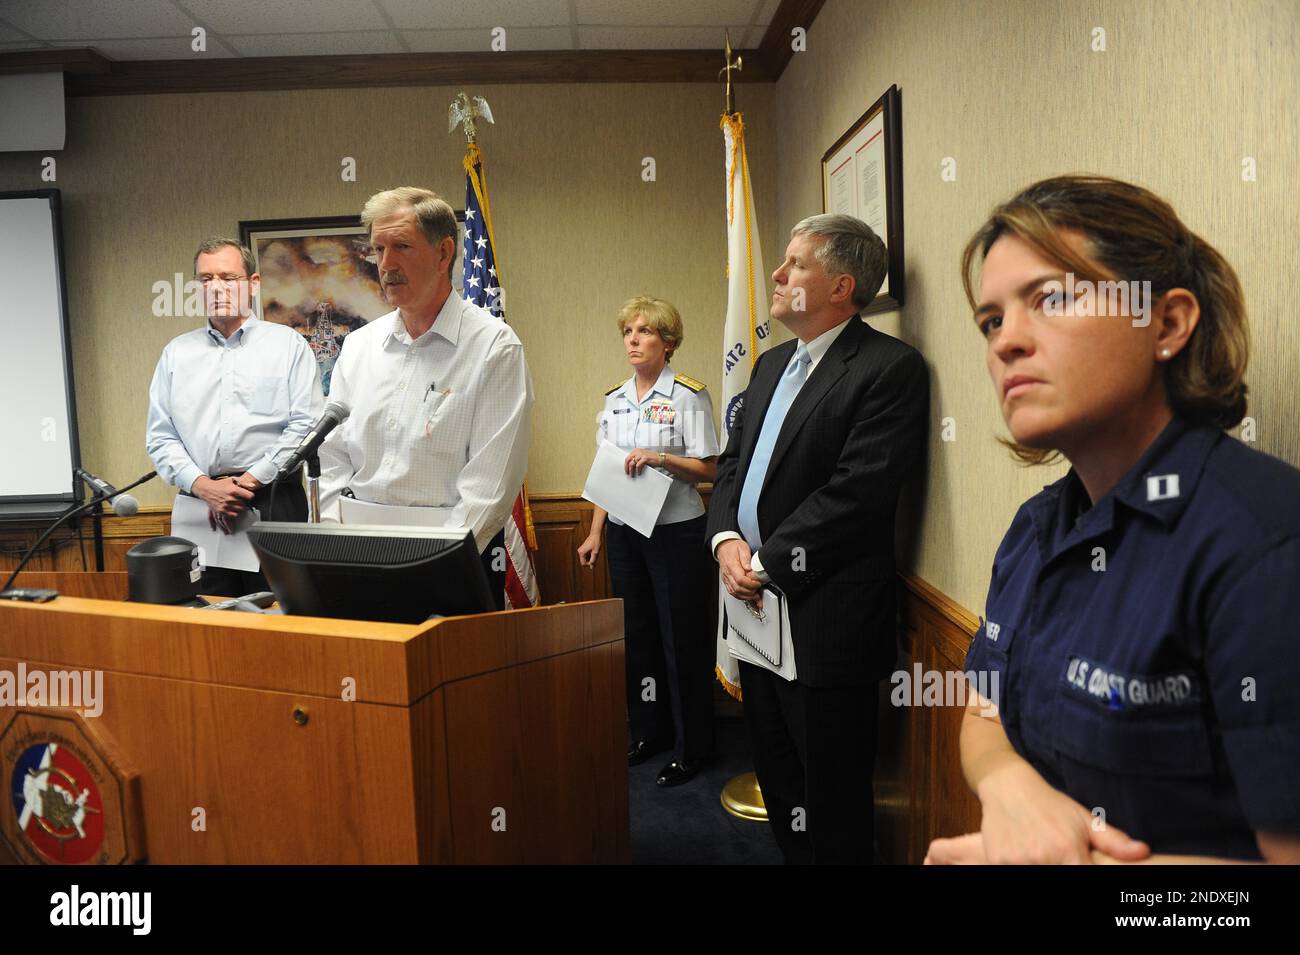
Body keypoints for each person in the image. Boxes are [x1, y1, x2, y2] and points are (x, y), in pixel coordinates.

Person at [925, 175, 1300, 865]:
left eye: (1052, 298)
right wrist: (1010, 786)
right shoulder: (1035, 530)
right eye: (991, 320)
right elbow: (984, 706)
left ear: (1167, 323)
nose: (1006, 341)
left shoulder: (1264, 547)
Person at [707, 214, 928, 863]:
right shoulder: (773, 363)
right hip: (751, 607)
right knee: (780, 783)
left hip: (824, 620)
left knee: (831, 802)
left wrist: (767, 562)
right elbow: (731, 464)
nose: (776, 275)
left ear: (840, 285)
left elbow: (857, 494)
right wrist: (724, 539)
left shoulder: (890, 369)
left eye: (795, 264)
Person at [318, 187, 533, 610]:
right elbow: (332, 458)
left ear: (443, 253)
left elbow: (490, 486)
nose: (386, 265)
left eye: (401, 247)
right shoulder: (360, 347)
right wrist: (337, 546)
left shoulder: (493, 348)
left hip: (450, 568)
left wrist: (430, 569)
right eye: (378, 249)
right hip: (358, 563)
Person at [577, 296, 720, 786]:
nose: (633, 340)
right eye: (628, 332)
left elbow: (712, 468)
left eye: (645, 332)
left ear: (669, 342)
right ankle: (649, 731)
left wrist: (661, 459)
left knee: (681, 639)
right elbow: (605, 473)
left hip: (676, 533)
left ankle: (692, 745)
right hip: (623, 532)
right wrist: (596, 531)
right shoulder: (614, 398)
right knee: (637, 637)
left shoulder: (687, 395)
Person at [146, 237, 323, 596]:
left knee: (282, 619)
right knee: (210, 621)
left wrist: (247, 484)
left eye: (227, 278)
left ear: (253, 285)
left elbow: (306, 426)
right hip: (201, 506)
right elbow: (161, 436)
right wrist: (204, 486)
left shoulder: (287, 345)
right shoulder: (177, 354)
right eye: (206, 279)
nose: (216, 288)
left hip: (273, 500)